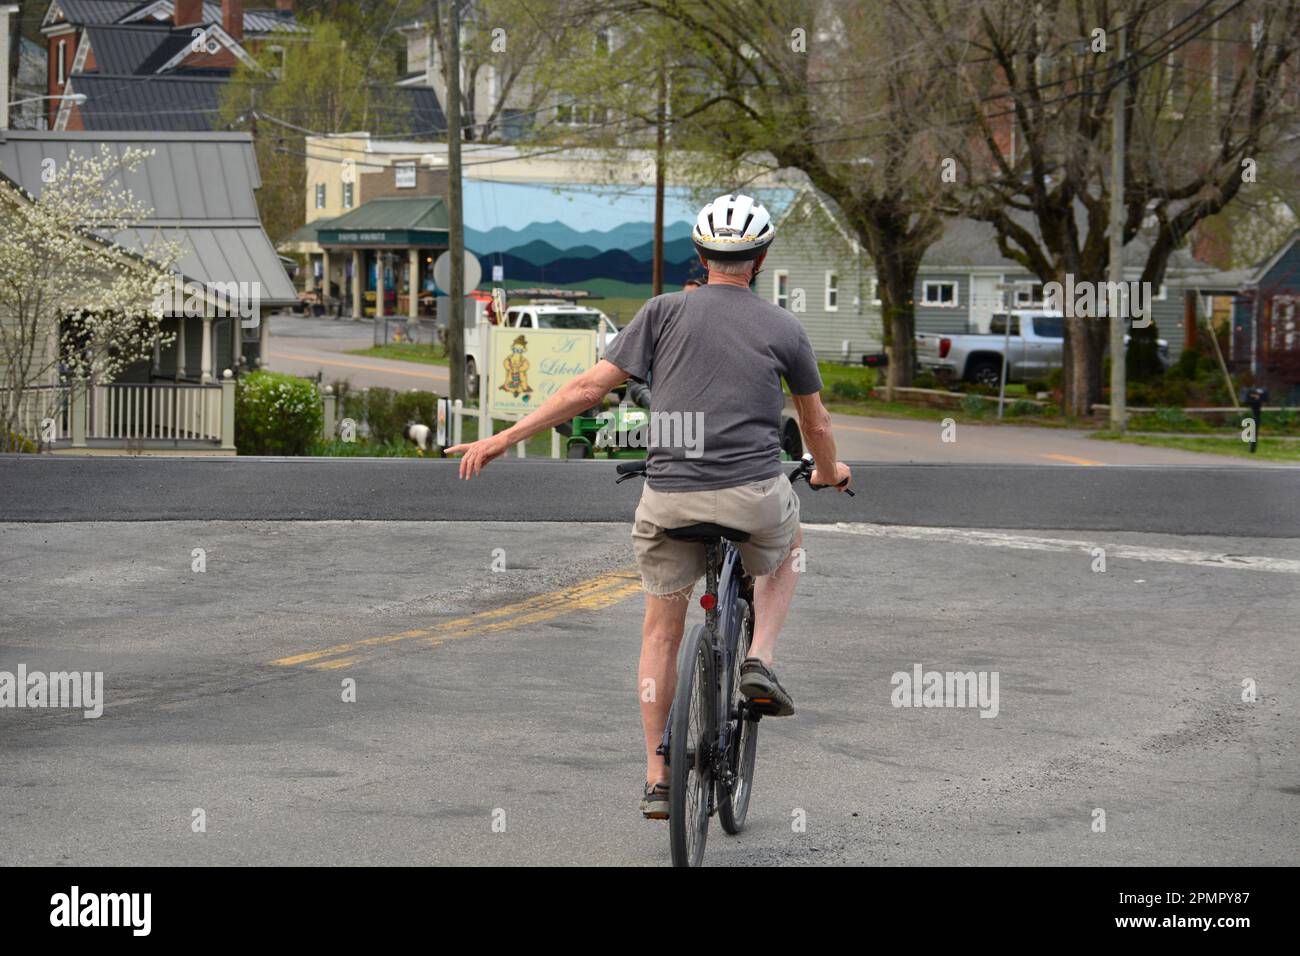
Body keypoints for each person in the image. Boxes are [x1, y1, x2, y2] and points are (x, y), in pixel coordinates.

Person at [446, 193, 849, 820]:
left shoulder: (660, 312)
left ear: (700, 256)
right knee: (787, 548)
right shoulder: (784, 328)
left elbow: (586, 389)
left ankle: (658, 775)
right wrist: (828, 472)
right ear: (761, 259)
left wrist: (501, 439)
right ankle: (761, 659)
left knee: (662, 628)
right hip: (753, 493)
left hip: (669, 498)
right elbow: (814, 421)